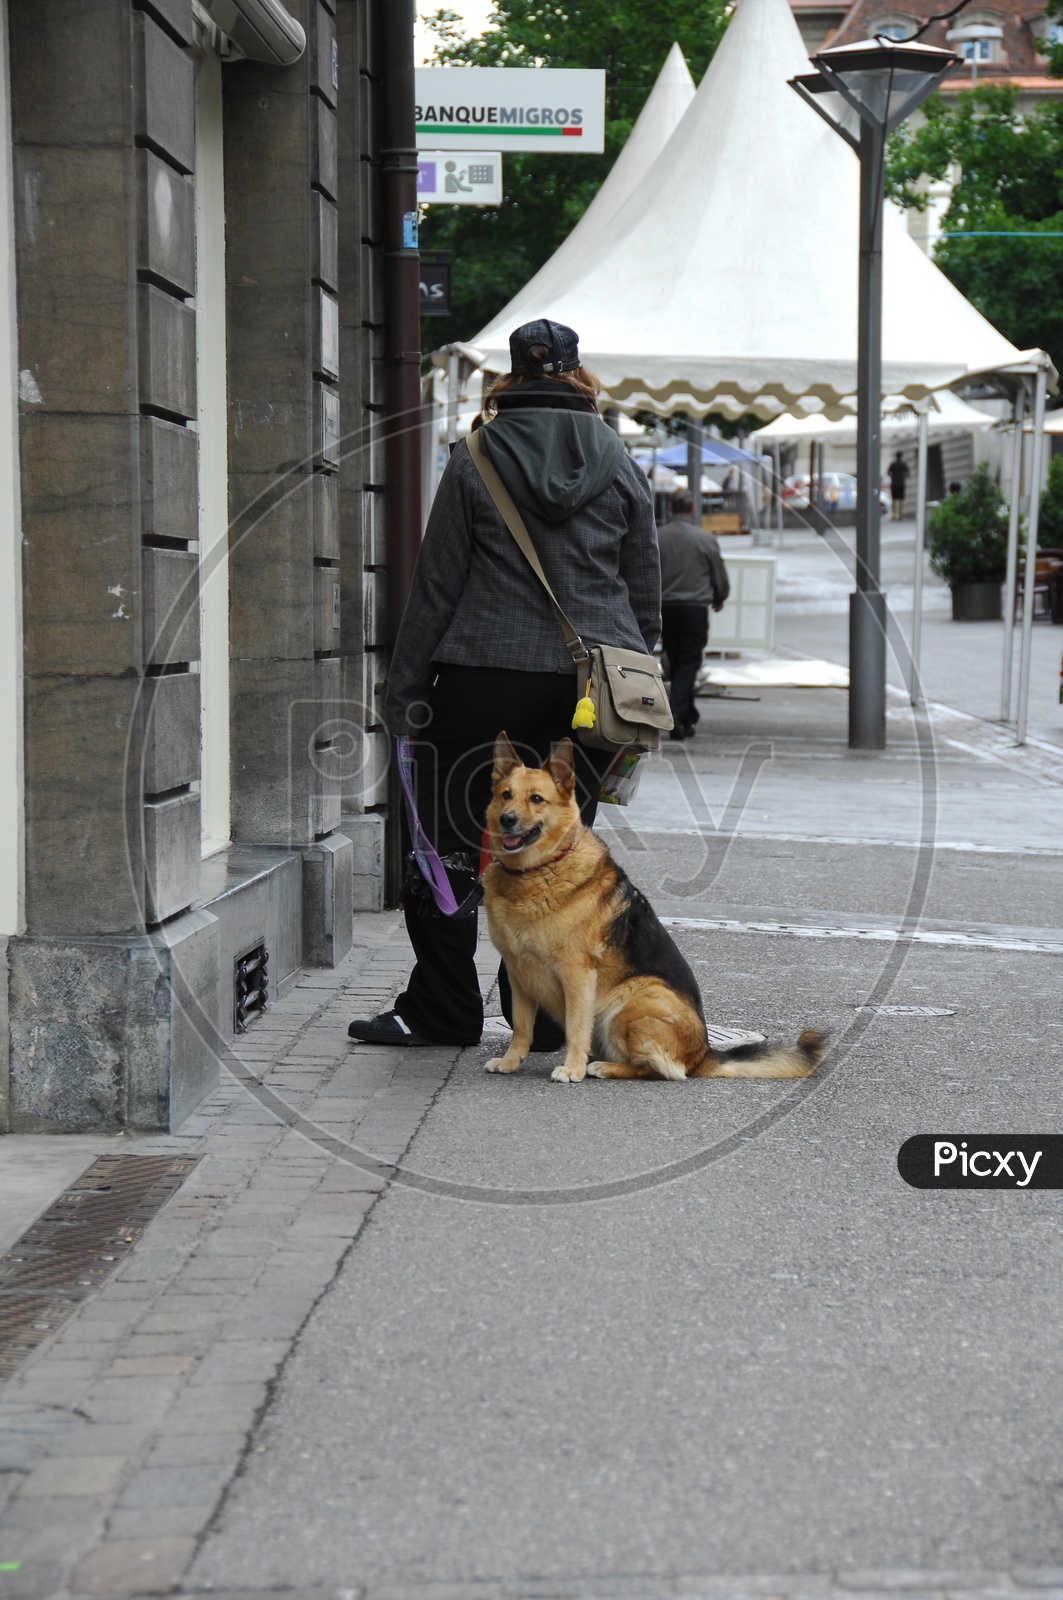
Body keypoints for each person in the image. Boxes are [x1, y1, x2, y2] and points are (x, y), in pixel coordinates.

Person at [347, 320, 661, 1050]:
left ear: (510, 377)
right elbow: (643, 589)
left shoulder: (475, 458)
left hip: (478, 678)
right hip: (588, 689)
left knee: (447, 842)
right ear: (579, 375)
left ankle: (442, 1010)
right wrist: (633, 670)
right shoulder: (621, 462)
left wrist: (402, 688)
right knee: (557, 849)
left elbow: (436, 586)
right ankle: (547, 1018)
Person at [656, 489, 730, 740]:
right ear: (693, 509)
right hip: (695, 609)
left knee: (676, 660)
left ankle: (688, 716)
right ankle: (676, 716)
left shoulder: (657, 537)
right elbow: (718, 574)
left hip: (665, 608)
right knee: (689, 662)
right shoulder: (705, 538)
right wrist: (719, 597)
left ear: (670, 509)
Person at [888, 451, 909, 520]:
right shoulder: (903, 464)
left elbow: (888, 472)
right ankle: (900, 514)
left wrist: (892, 476)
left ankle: (894, 515)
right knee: (901, 499)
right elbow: (908, 473)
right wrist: (903, 477)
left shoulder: (893, 464)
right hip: (901, 484)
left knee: (893, 499)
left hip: (894, 483)